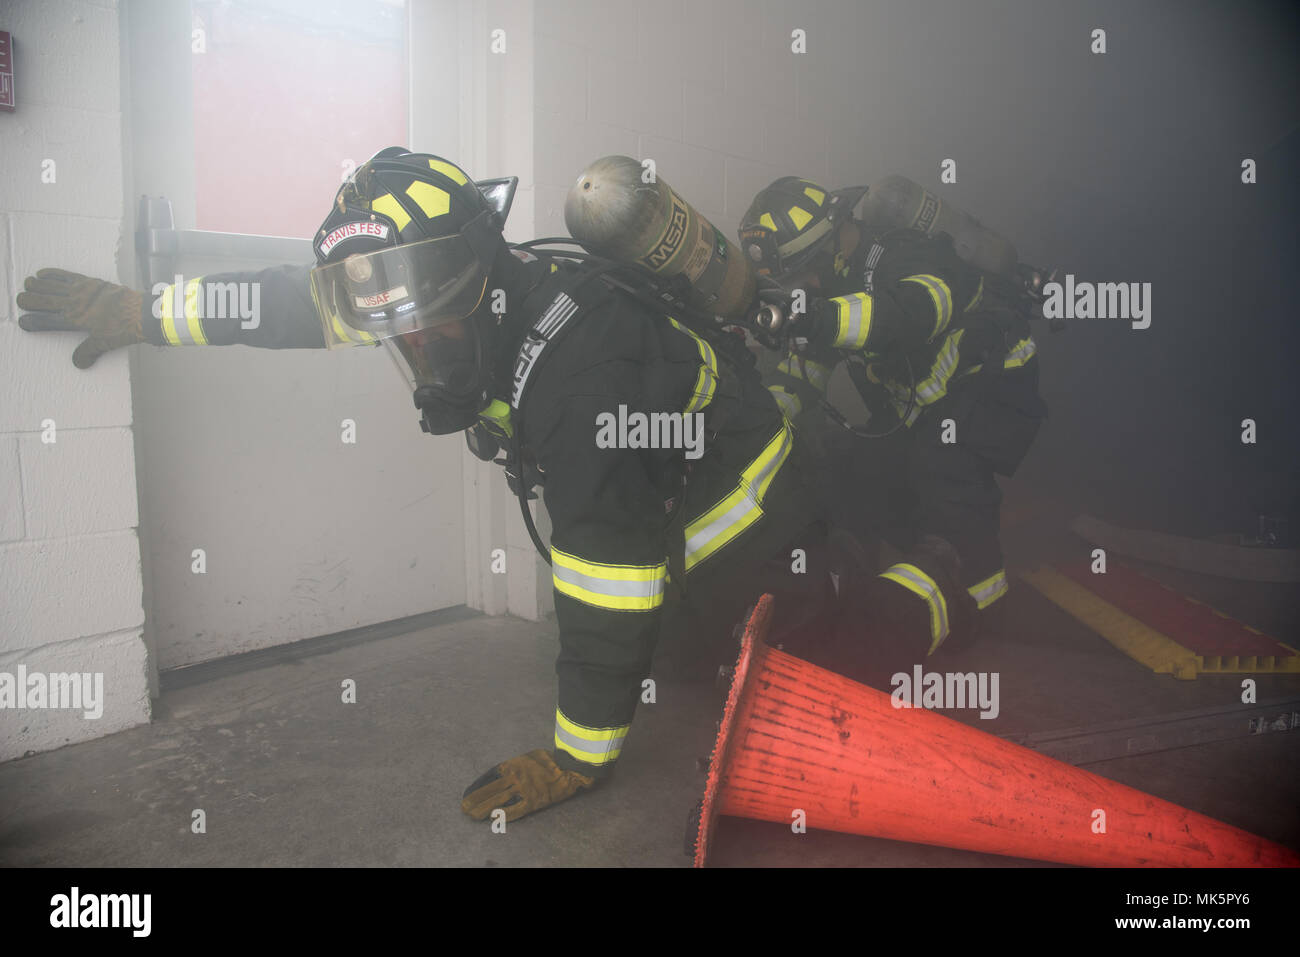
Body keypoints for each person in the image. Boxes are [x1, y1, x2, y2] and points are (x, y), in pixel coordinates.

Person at [17, 149, 833, 823]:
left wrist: (579, 755)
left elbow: (606, 567)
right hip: (656, 477)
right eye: (385, 316)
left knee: (733, 644)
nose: (410, 338)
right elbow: (286, 307)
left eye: (421, 315)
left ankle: (835, 589)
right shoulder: (437, 286)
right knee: (675, 654)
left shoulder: (583, 370)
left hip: (742, 488)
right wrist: (142, 310)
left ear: (480, 273)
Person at [739, 176, 1047, 676]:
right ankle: (888, 570)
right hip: (922, 404)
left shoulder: (905, 254)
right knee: (847, 463)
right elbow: (803, 377)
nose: (807, 288)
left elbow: (910, 313)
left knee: (942, 468)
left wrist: (814, 317)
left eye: (805, 273)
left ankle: (982, 604)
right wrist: (757, 425)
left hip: (990, 385)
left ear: (831, 242)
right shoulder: (831, 288)